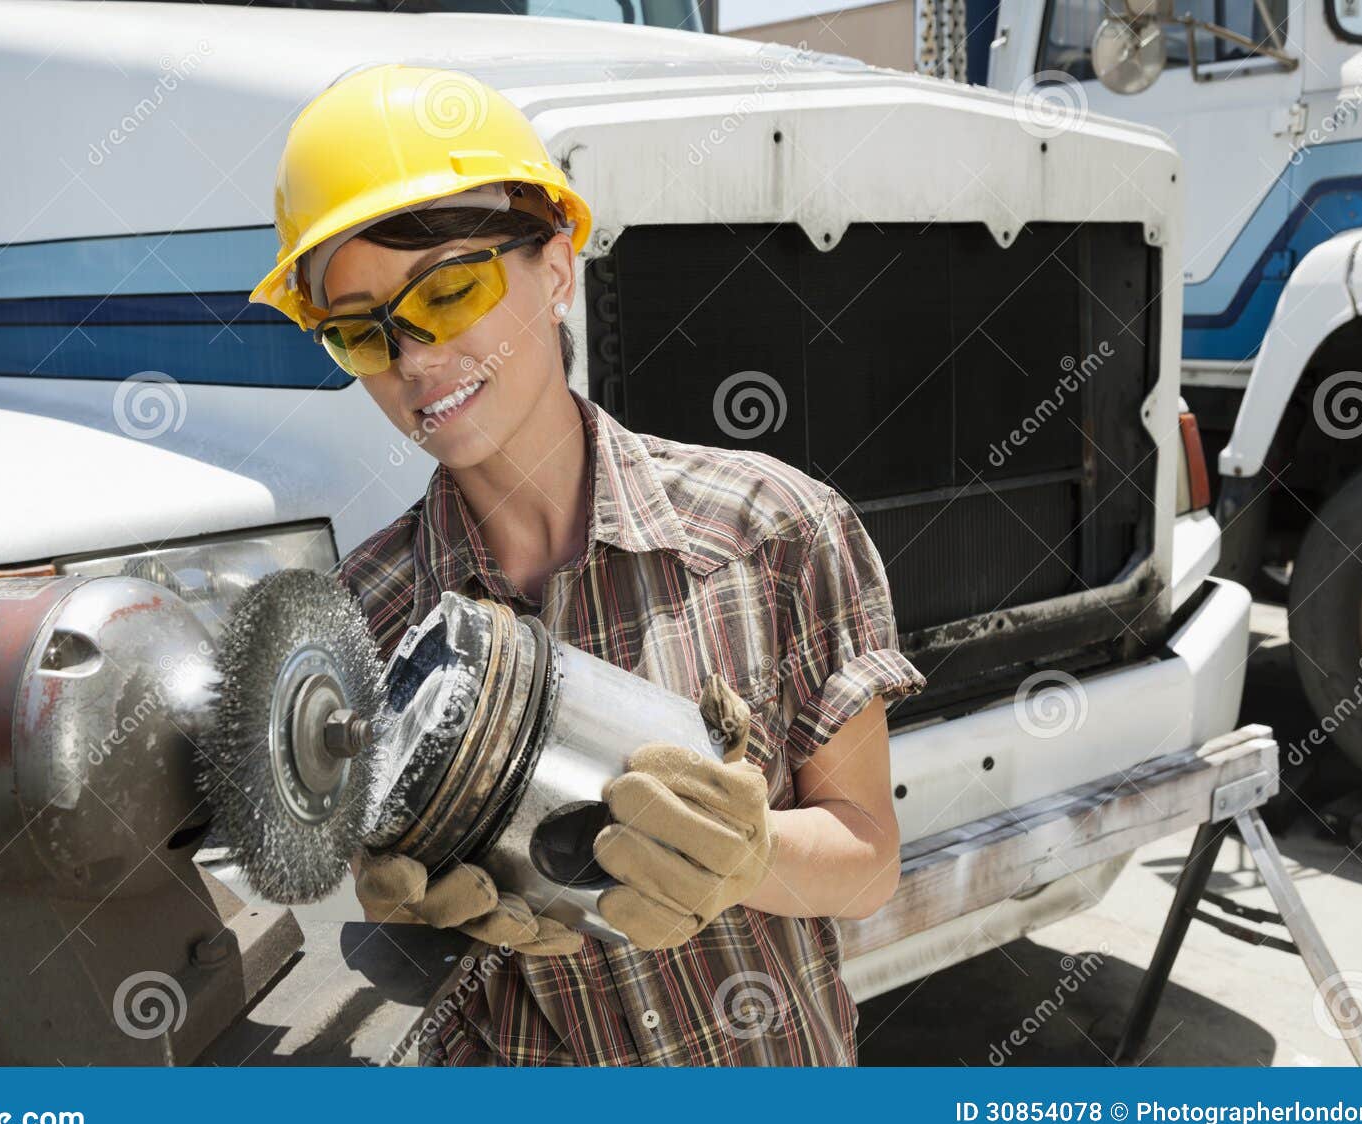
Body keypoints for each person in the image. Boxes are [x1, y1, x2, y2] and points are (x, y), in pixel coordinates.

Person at [248, 62, 927, 1066]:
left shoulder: (770, 531)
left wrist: (744, 854)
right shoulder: (363, 627)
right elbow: (378, 926)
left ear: (557, 267)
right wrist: (410, 913)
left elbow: (867, 860)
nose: (413, 359)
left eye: (448, 289)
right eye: (359, 331)